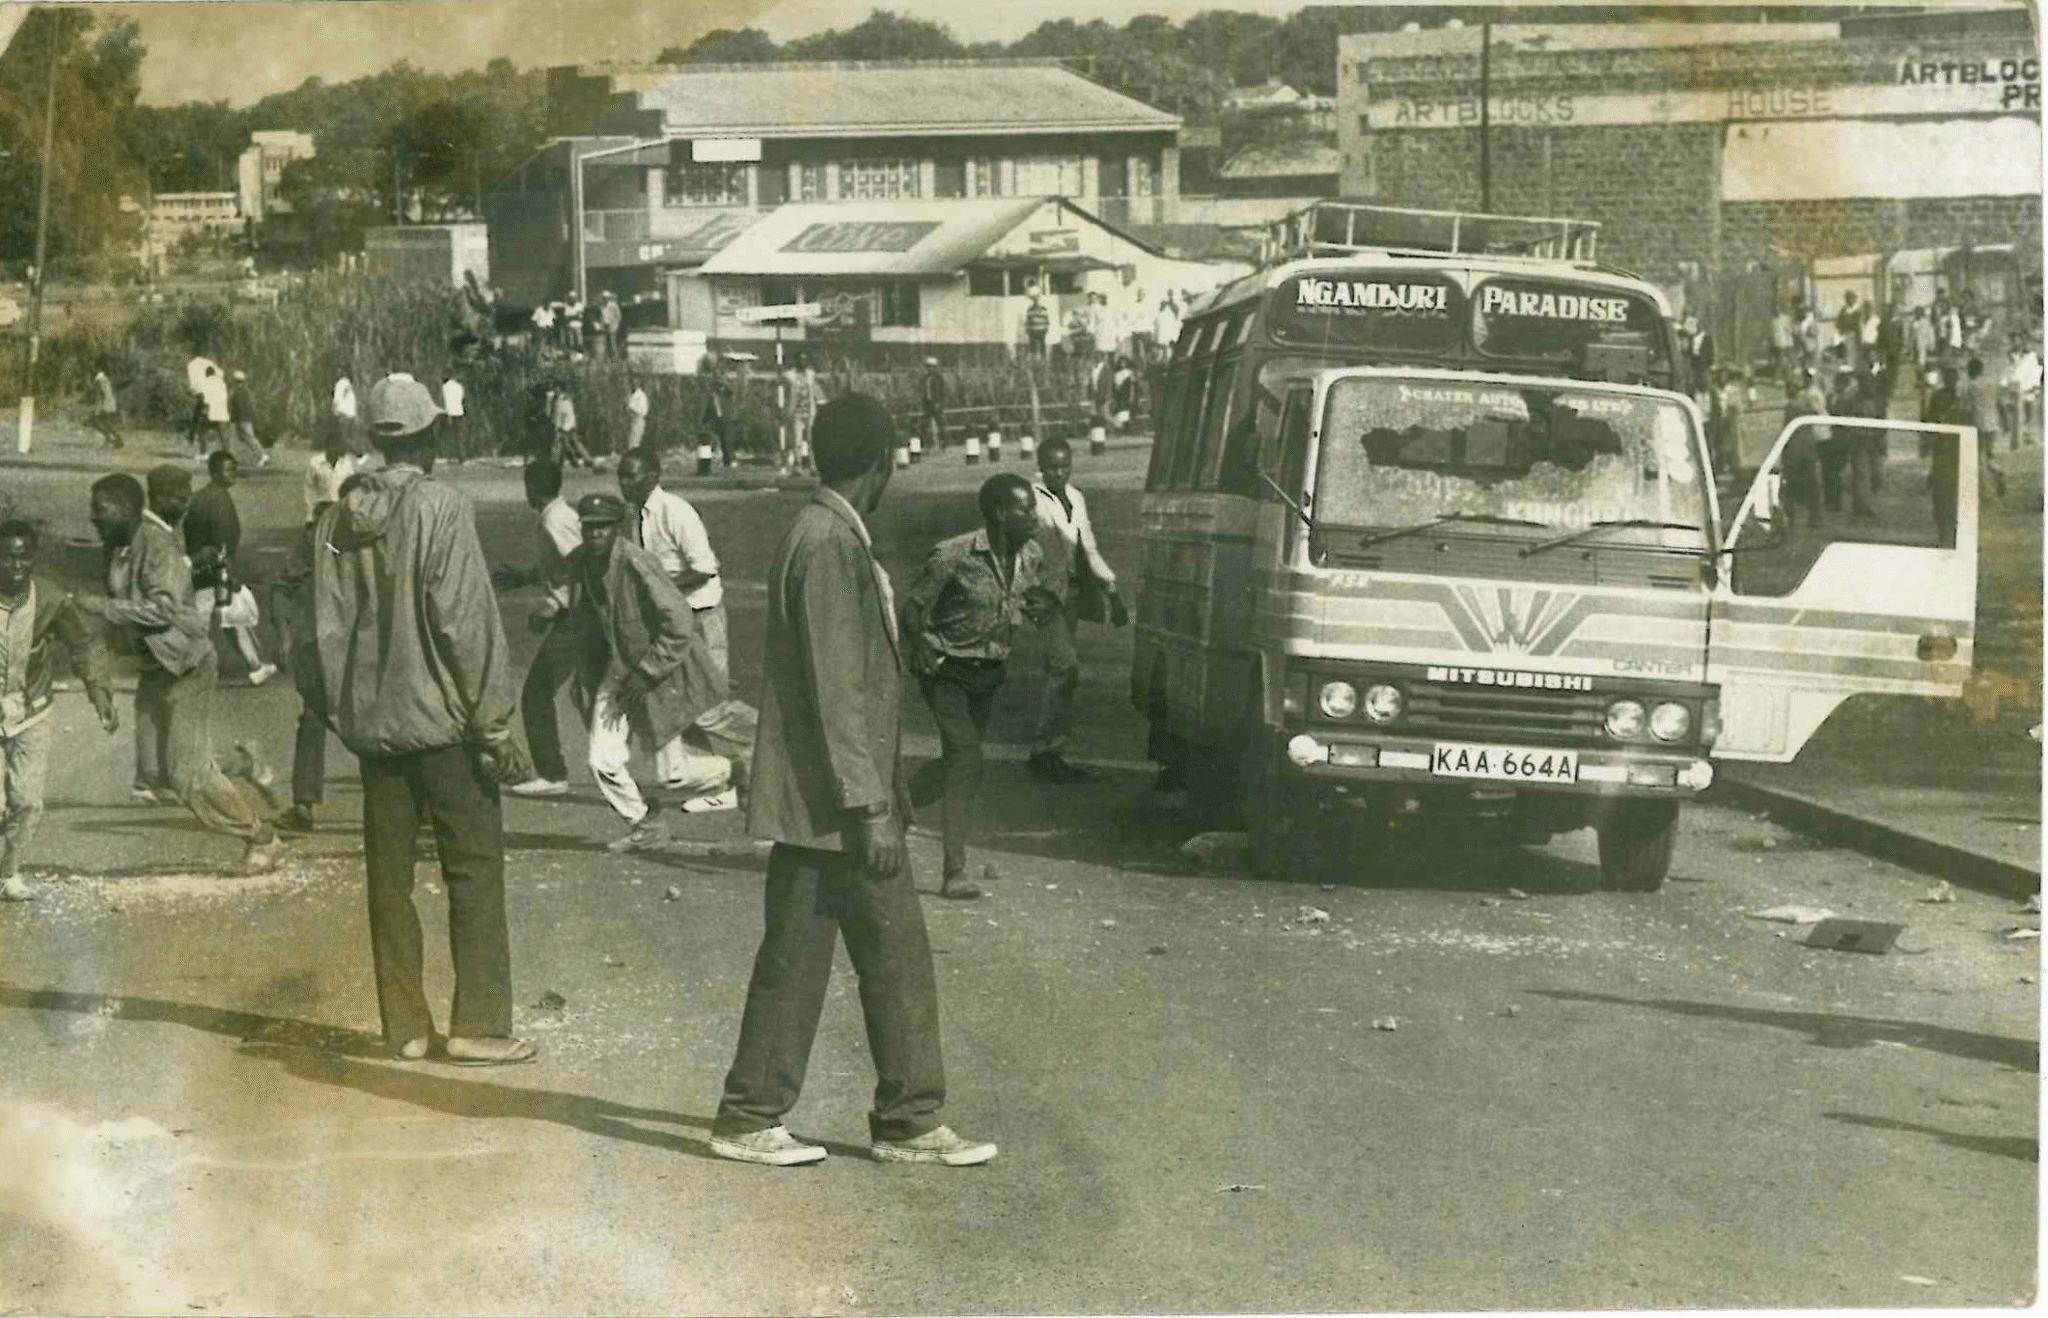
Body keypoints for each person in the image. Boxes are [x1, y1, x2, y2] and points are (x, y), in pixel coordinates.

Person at [710, 391, 996, 1169]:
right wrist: (871, 805)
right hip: (839, 804)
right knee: (896, 954)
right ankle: (905, 1119)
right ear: (886, 461)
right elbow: (840, 690)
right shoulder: (832, 543)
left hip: (823, 799)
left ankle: (753, 1114)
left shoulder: (820, 531)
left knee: (799, 959)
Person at [305, 374, 536, 1065]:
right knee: (473, 875)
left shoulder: (337, 520)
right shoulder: (441, 508)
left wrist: (347, 715)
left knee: (390, 886)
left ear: (375, 439)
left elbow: (320, 635)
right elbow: (466, 625)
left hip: (378, 735)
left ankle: (403, 1027)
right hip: (446, 730)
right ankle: (480, 1026)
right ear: (430, 437)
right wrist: (496, 726)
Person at [74, 471, 285, 874]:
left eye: (100, 510)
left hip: (187, 664)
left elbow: (164, 609)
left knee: (187, 775)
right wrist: (98, 679)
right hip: (157, 668)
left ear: (128, 509)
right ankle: (242, 763)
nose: (92, 518)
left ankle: (262, 839)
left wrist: (101, 606)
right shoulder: (116, 550)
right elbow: (115, 626)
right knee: (152, 774)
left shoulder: (157, 545)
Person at [901, 473, 1053, 900]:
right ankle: (954, 870)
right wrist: (920, 647)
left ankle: (898, 808)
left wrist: (1043, 608)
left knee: (957, 762)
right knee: (968, 758)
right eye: (1026, 510)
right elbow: (912, 609)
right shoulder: (954, 554)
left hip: (988, 673)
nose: (1034, 517)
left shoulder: (1031, 555)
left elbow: (1030, 600)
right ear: (1001, 513)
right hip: (946, 669)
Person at [564, 493, 728, 852]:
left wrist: (649, 670)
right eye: (589, 528)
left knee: (671, 775)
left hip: (655, 674)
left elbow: (680, 622)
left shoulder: (637, 564)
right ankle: (644, 823)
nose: (594, 536)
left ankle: (734, 773)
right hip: (616, 672)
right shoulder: (580, 564)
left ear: (616, 528)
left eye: (602, 528)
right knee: (602, 760)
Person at [617, 449, 752, 810]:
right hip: (673, 622)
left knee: (710, 705)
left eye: (631, 476)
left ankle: (771, 747)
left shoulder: (674, 512)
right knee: (685, 703)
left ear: (653, 475)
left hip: (702, 615)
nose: (624, 484)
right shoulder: (634, 517)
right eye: (621, 477)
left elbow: (705, 567)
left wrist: (660, 586)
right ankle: (719, 782)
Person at [0, 519, 118, 902]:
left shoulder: (49, 599)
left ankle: (8, 871)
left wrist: (99, 691)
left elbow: (84, 643)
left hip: (32, 708)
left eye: (23, 557)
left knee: (28, 800)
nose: (16, 566)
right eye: (7, 557)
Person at [1028, 436, 1124, 785]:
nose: (1058, 472)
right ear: (1041, 466)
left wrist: (1110, 589)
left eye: (1064, 466)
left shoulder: (1077, 497)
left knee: (1060, 672)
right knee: (1065, 667)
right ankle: (1043, 751)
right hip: (1042, 594)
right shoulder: (1032, 500)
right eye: (1051, 466)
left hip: (1070, 594)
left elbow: (1088, 546)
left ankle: (1053, 750)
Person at [492, 459, 584, 798]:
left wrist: (553, 605)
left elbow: (581, 566)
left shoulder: (554, 520)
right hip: (577, 613)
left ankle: (552, 773)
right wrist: (525, 577)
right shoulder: (557, 515)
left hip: (576, 616)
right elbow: (561, 565)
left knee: (536, 693)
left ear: (531, 487)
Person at [186, 452, 276, 686]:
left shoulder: (200, 497)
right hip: (216, 569)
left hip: (200, 565)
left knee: (233, 620)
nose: (232, 474)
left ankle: (256, 665)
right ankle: (190, 668)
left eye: (234, 469)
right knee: (213, 620)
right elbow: (223, 539)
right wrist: (227, 572)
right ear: (215, 473)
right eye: (227, 470)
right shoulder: (220, 500)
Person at [226, 369, 267, 467]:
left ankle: (261, 455)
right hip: (247, 418)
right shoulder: (247, 391)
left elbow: (229, 404)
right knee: (246, 437)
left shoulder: (235, 392)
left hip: (241, 418)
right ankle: (258, 455)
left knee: (248, 437)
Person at [550, 383, 592, 467]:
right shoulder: (564, 400)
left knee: (564, 445)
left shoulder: (563, 401)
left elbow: (563, 415)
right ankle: (584, 460)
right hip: (568, 425)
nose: (556, 391)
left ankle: (582, 461)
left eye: (557, 390)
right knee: (570, 445)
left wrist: (561, 427)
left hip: (565, 427)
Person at [198, 364, 231, 459]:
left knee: (202, 432)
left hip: (212, 412)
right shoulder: (222, 382)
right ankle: (226, 455)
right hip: (222, 412)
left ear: (206, 374)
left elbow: (207, 399)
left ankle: (204, 453)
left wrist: (205, 410)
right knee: (223, 436)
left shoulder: (206, 382)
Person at [919, 356, 949, 452]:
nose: (929, 369)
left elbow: (943, 392)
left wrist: (939, 403)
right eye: (928, 367)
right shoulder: (925, 378)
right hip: (927, 404)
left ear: (935, 367)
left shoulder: (939, 378)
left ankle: (943, 444)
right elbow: (923, 392)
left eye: (931, 367)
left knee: (941, 425)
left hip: (936, 404)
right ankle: (927, 445)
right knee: (924, 425)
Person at [87, 366, 121, 449]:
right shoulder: (105, 380)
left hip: (105, 405)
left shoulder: (98, 382)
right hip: (111, 405)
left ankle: (109, 440)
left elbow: (100, 396)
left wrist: (98, 409)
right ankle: (117, 439)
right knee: (107, 424)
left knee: (95, 422)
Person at [441, 374, 466, 450]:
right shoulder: (459, 386)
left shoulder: (444, 387)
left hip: (448, 413)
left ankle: (441, 453)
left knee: (443, 435)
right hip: (459, 413)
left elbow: (444, 401)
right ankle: (461, 457)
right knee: (459, 436)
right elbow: (462, 399)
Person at [1023, 294, 1050, 359]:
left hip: (1041, 331)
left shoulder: (1044, 309)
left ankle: (1043, 359)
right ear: (1033, 301)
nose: (1036, 301)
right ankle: (1033, 359)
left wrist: (1046, 330)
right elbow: (1028, 321)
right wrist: (1028, 330)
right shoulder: (1030, 309)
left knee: (1042, 346)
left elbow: (1047, 321)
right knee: (1032, 346)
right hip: (1032, 331)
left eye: (1037, 299)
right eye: (1034, 300)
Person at [625, 383, 649, 453]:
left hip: (638, 418)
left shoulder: (639, 395)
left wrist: (630, 410)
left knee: (634, 441)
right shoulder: (634, 394)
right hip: (635, 419)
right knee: (633, 440)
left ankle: (633, 457)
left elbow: (639, 410)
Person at [599, 290, 623, 359]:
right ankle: (608, 358)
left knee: (613, 343)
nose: (605, 299)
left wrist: (615, 325)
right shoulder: (602, 306)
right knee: (606, 343)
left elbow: (619, 316)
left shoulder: (613, 305)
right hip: (605, 326)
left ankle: (615, 358)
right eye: (603, 298)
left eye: (606, 298)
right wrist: (602, 326)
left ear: (608, 298)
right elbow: (602, 316)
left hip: (612, 326)